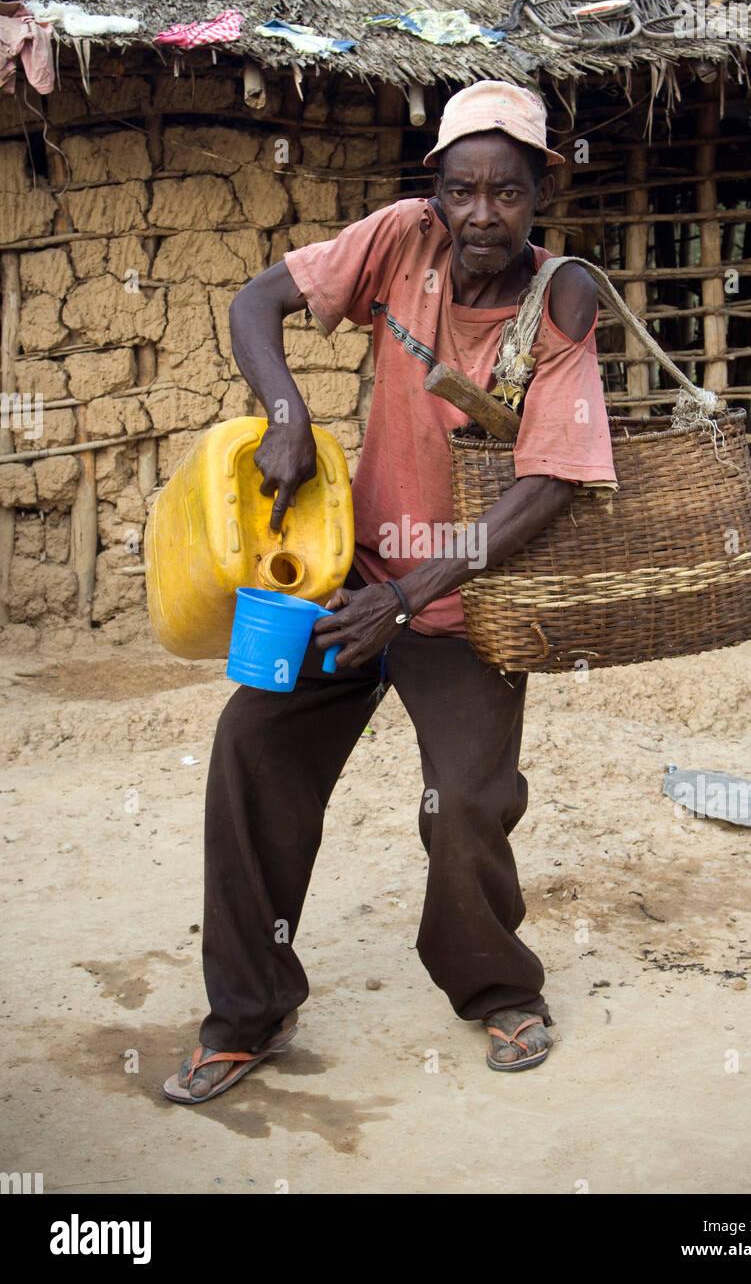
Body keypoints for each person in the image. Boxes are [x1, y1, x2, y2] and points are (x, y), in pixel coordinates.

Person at [164, 79, 617, 1104]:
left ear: (540, 189)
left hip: (458, 606)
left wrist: (410, 599)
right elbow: (255, 301)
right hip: (349, 578)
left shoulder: (561, 303)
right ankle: (247, 1010)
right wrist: (283, 408)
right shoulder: (397, 241)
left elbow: (547, 482)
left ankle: (494, 985)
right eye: (462, 190)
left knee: (462, 799)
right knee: (248, 744)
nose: (480, 215)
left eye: (506, 192)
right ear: (436, 190)